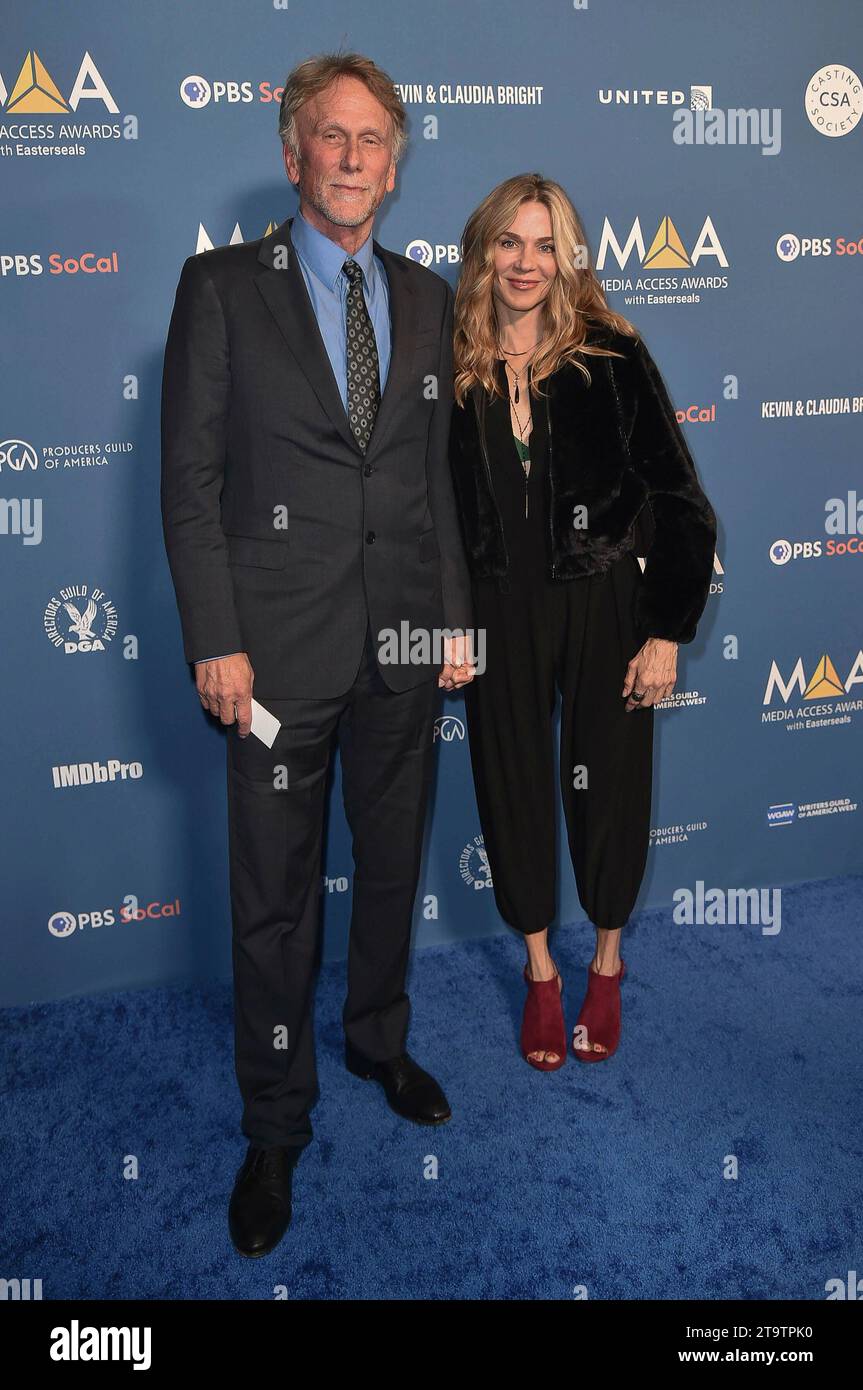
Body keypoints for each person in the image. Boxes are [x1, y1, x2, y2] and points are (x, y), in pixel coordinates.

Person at [160, 52, 475, 1258]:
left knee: (390, 867)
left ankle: (378, 1043)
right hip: (273, 657)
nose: (352, 159)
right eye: (330, 138)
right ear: (294, 156)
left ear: (395, 164)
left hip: (402, 641)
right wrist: (216, 637)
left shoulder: (431, 297)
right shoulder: (221, 287)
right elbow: (189, 485)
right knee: (274, 904)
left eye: (372, 140)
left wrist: (450, 615)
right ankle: (275, 1122)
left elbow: (435, 481)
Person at [448, 173, 716, 1071]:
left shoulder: (608, 352)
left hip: (605, 603)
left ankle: (604, 961)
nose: (526, 263)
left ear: (568, 256)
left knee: (610, 788)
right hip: (496, 609)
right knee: (512, 781)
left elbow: (678, 496)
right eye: (509, 242)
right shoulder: (449, 362)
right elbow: (429, 514)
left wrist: (664, 629)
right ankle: (537, 971)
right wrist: (446, 620)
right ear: (485, 248)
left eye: (544, 243)